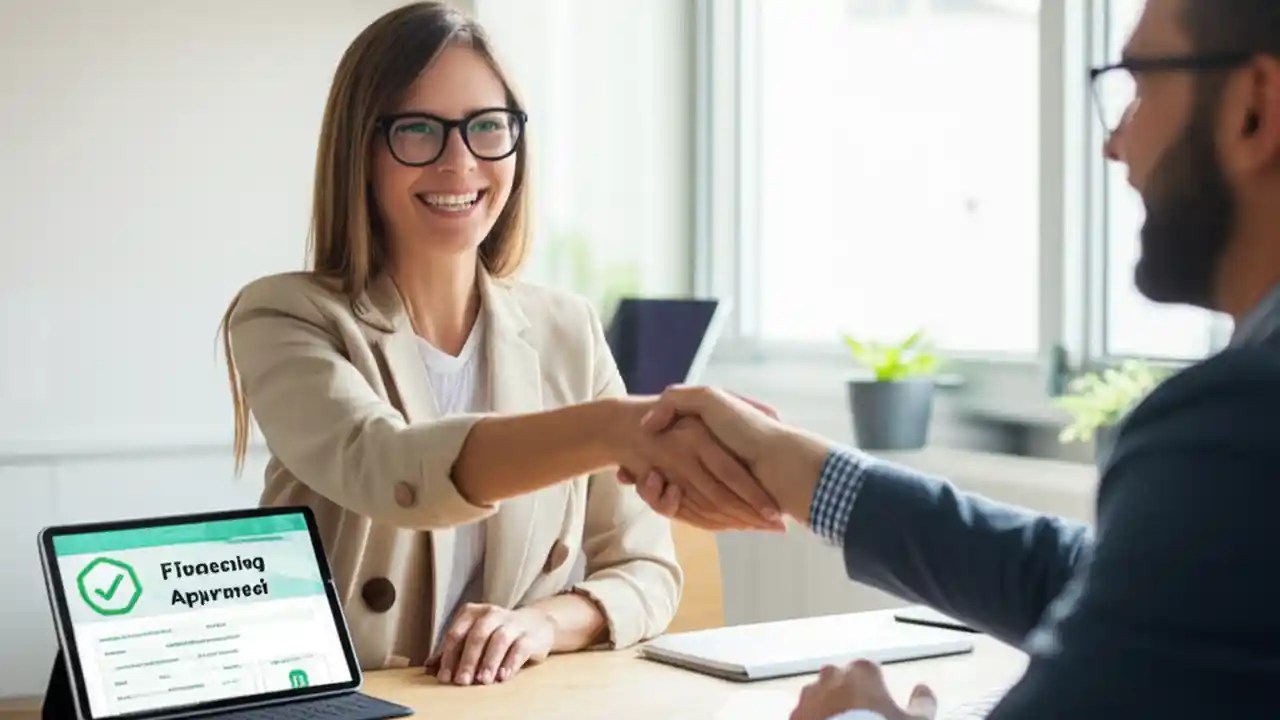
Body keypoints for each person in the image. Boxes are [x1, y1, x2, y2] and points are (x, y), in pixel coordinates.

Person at [630, 0, 1280, 717]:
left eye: (1140, 85)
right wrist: (800, 471)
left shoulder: (1242, 418)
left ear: (1253, 107)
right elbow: (1089, 578)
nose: (1115, 144)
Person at [220, 2, 782, 689]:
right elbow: (390, 466)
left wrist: (542, 622)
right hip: (333, 702)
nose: (460, 161)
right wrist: (614, 427)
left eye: (488, 127)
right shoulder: (284, 316)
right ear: (360, 152)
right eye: (418, 130)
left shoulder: (565, 329)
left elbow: (647, 570)